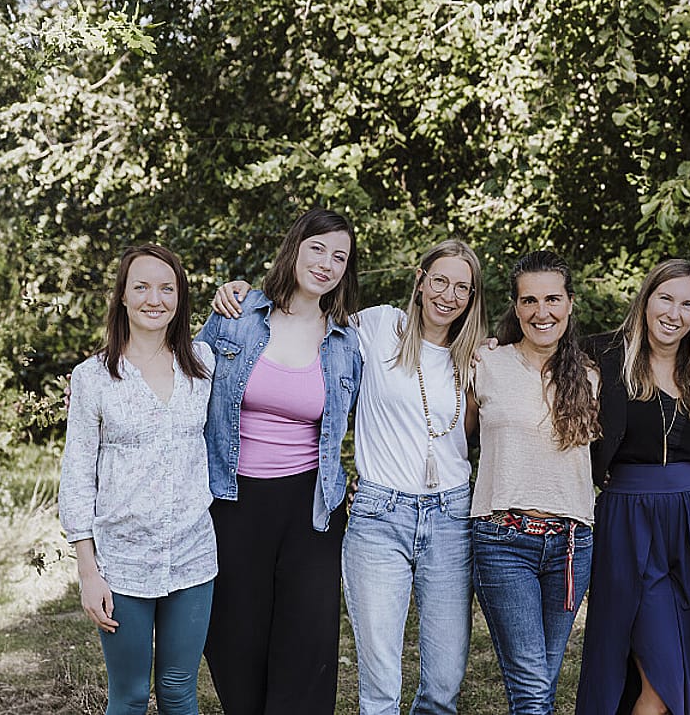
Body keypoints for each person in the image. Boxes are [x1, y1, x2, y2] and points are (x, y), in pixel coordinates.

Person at [213, 238, 487, 715]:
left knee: (444, 681)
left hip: (450, 517)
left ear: (473, 297)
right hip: (381, 513)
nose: (449, 295)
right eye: (439, 280)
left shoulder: (478, 359)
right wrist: (243, 293)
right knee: (381, 681)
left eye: (462, 287)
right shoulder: (376, 327)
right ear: (419, 281)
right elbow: (302, 319)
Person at [198, 208, 362, 714]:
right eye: (318, 248)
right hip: (232, 498)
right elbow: (178, 377)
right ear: (295, 247)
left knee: (305, 646)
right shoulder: (237, 314)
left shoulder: (346, 341)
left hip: (310, 508)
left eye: (340, 256)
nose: (327, 263)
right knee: (233, 640)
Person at [59, 244, 217, 715]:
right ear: (123, 298)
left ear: (180, 298)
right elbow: (76, 474)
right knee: (128, 696)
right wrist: (88, 571)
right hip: (121, 560)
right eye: (142, 286)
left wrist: (239, 291)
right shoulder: (93, 377)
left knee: (177, 688)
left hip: (192, 554)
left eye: (167, 288)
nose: (155, 298)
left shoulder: (203, 364)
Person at [576, 258, 690, 715]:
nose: (674, 313)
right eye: (666, 298)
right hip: (629, 522)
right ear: (646, 300)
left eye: (688, 304)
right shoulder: (601, 356)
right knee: (660, 675)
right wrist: (489, 344)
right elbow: (535, 335)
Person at [468, 251, 601, 715]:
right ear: (516, 306)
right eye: (529, 301)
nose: (541, 312)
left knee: (542, 679)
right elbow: (451, 438)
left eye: (552, 299)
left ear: (570, 304)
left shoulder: (590, 375)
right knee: (530, 688)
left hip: (571, 545)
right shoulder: (486, 363)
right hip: (504, 540)